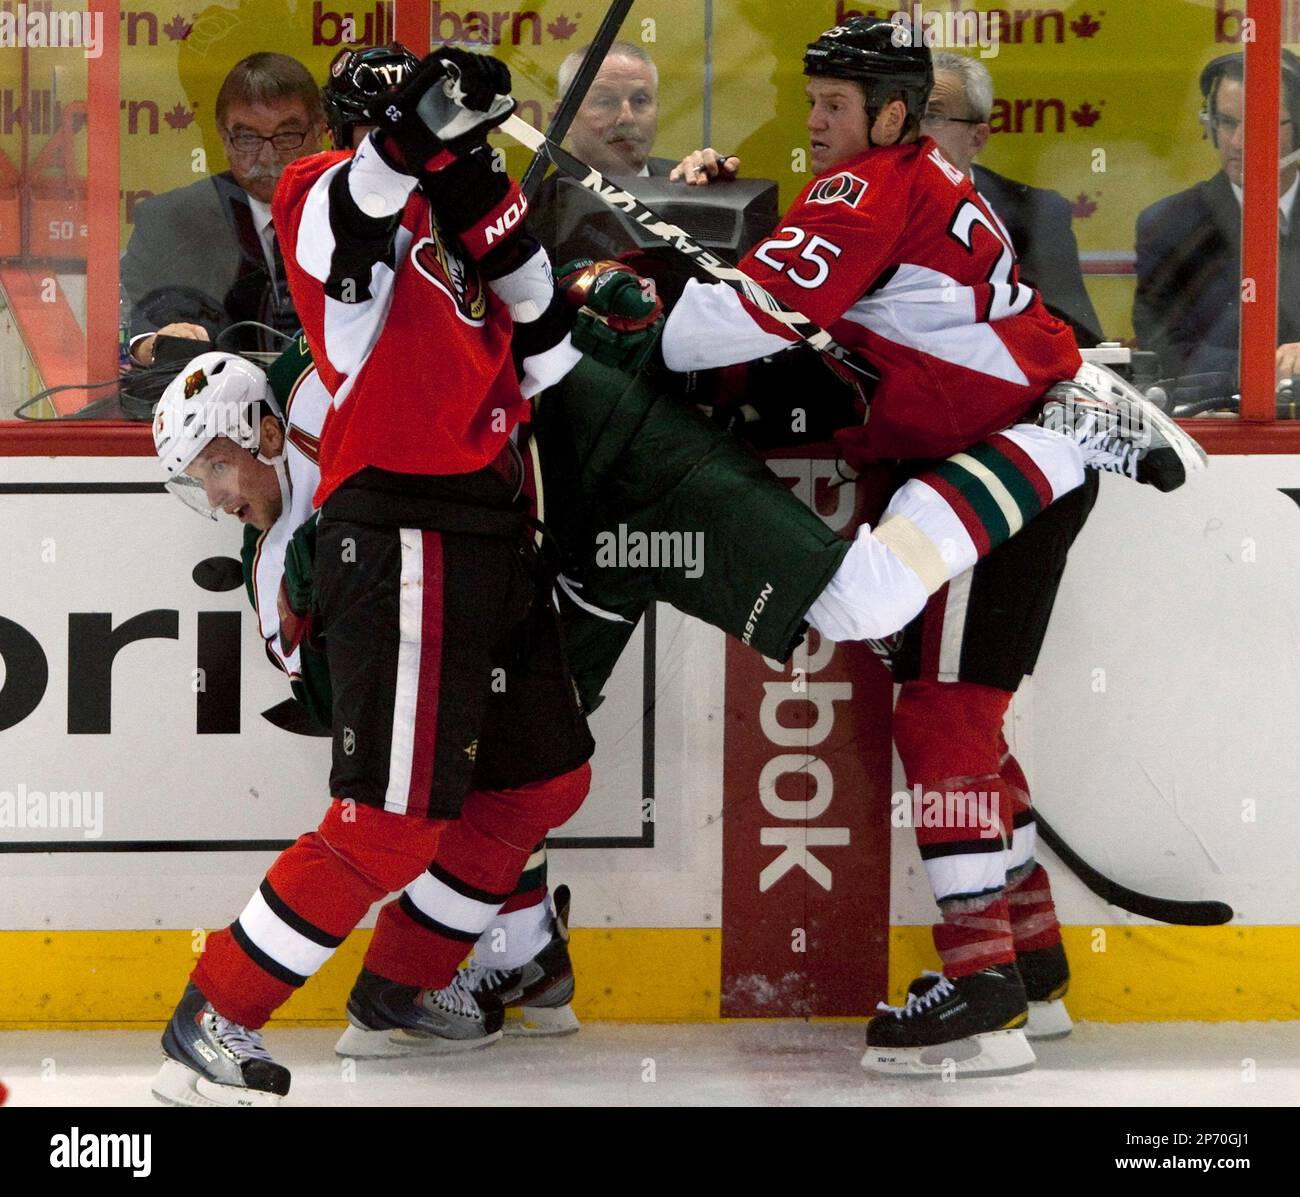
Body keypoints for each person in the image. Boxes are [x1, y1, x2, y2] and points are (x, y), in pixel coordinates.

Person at [654, 15, 1200, 1077]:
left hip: (992, 455)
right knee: (966, 714)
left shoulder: (869, 188)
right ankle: (1031, 967)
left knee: (940, 716)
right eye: (808, 102)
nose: (812, 123)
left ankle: (984, 991)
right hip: (995, 444)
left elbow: (736, 326)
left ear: (893, 115)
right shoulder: (917, 179)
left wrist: (669, 311)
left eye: (834, 107)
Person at [151, 47, 595, 1106]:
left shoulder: (450, 214)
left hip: (489, 523)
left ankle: (402, 988)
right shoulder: (321, 193)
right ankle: (215, 1013)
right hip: (403, 525)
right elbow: (356, 209)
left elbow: (545, 334)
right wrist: (422, 131)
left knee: (541, 780)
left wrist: (476, 179)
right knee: (387, 823)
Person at [121, 53, 325, 365]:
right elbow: (143, 327)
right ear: (223, 138)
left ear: (320, 130)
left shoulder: (363, 214)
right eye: (247, 137)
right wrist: (154, 344)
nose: (268, 157)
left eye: (286, 135)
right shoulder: (170, 220)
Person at [1133, 49, 1300, 382]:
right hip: (1219, 419)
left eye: (1260, 124)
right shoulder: (1168, 224)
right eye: (1226, 122)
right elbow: (1164, 347)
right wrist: (1263, 367)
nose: (1237, 142)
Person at [922, 51, 1102, 348]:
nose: (912, 131)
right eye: (903, 113)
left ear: (976, 139)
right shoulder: (856, 207)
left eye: (932, 116)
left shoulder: (1034, 216)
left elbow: (1075, 337)